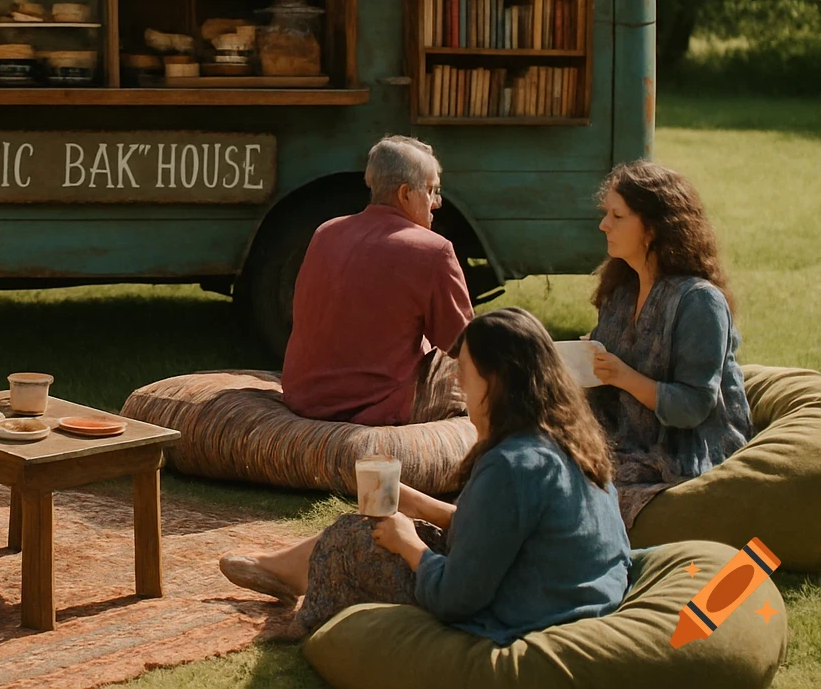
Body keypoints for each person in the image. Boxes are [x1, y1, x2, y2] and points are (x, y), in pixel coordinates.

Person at [221, 308, 632, 644]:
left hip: (529, 614)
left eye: (464, 370)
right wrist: (415, 503)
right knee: (389, 526)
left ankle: (313, 625)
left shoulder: (512, 465)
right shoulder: (570, 442)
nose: (457, 382)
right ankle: (288, 571)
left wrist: (409, 544)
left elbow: (457, 598)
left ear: (495, 380)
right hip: (578, 593)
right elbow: (502, 531)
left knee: (356, 539)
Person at [588, 160, 752, 528]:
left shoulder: (699, 302)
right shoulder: (622, 290)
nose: (604, 225)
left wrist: (621, 375)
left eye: (618, 215)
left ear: (652, 228)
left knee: (582, 491)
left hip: (686, 449)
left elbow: (693, 407)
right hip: (623, 438)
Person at [280, 135, 472, 426]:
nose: (437, 203)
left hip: (304, 399)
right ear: (406, 193)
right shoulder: (433, 250)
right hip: (377, 408)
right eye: (432, 190)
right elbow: (462, 344)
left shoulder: (325, 232)